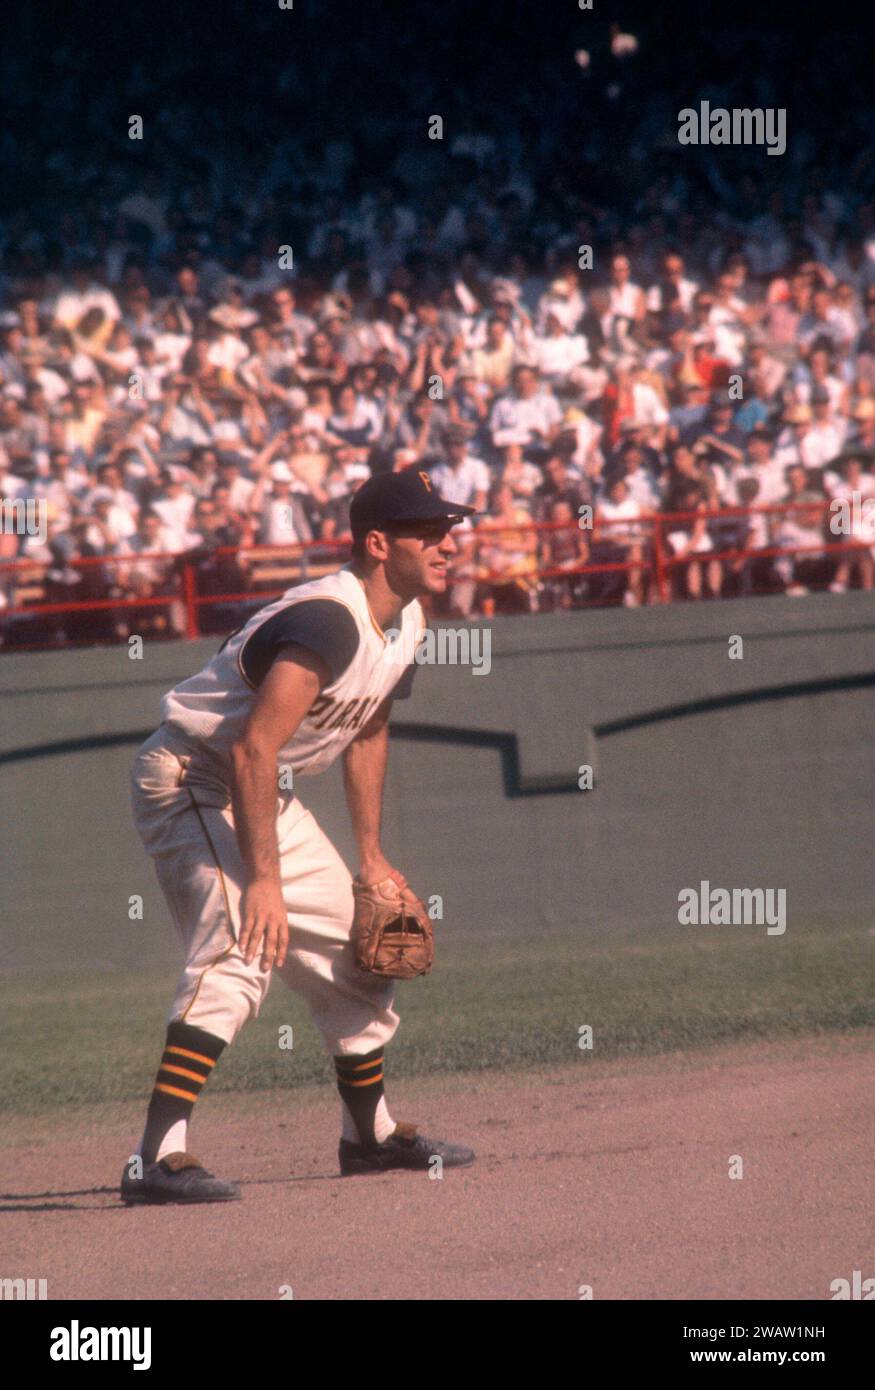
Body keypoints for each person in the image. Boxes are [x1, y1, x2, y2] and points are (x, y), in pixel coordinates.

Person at [123, 470, 477, 1203]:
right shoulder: (330, 619)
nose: (448, 544)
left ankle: (369, 1137)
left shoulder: (404, 618)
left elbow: (369, 729)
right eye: (429, 532)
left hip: (259, 791)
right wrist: (266, 884)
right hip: (193, 776)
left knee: (356, 947)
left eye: (450, 530)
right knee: (242, 941)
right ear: (378, 543)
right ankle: (155, 1158)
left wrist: (371, 858)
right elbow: (253, 746)